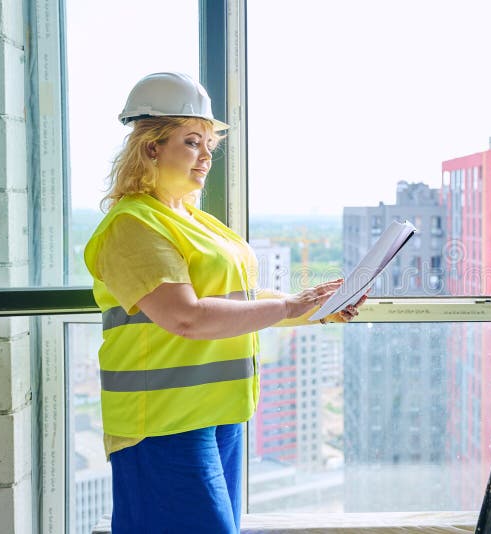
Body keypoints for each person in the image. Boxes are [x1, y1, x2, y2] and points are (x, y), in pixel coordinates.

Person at [83, 72, 364, 533]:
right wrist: (291, 308)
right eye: (192, 141)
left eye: (209, 142)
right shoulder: (132, 225)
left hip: (220, 414)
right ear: (151, 147)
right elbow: (186, 317)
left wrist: (313, 306)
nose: (207, 155)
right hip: (161, 423)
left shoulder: (196, 221)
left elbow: (237, 302)